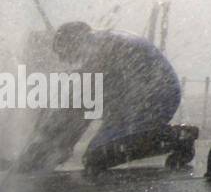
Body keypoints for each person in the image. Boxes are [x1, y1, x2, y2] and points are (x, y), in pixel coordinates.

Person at [15, 22, 182, 174]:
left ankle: (177, 137)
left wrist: (54, 144)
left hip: (152, 102)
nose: (61, 58)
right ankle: (48, 150)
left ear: (73, 40)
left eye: (61, 51)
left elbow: (79, 106)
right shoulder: (103, 41)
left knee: (97, 157)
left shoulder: (100, 47)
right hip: (146, 99)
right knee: (94, 153)